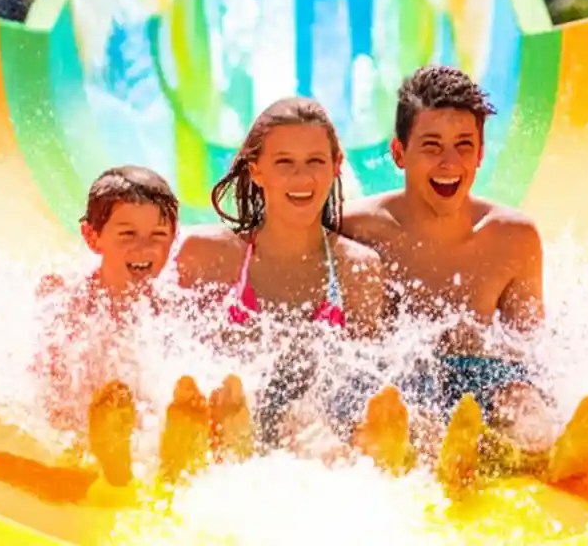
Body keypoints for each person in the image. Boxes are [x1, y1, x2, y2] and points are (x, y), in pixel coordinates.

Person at [341, 66, 588, 489]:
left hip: (482, 372)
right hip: (402, 374)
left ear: (481, 154)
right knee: (401, 402)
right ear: (399, 152)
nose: (449, 162)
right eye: (431, 146)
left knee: (517, 398)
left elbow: (528, 345)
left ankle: (553, 451)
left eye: (463, 145)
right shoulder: (357, 228)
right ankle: (434, 452)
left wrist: (531, 398)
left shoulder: (512, 237)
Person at [174, 96, 411, 471]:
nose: (302, 178)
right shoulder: (209, 254)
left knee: (311, 428)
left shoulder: (356, 267)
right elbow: (167, 351)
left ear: (336, 165)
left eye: (315, 161)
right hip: (227, 413)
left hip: (313, 427)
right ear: (256, 170)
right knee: (214, 402)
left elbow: (361, 375)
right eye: (284, 162)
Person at [32, 165, 180, 484]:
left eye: (158, 235)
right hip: (82, 430)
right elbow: (48, 386)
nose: (144, 248)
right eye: (127, 234)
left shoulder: (170, 309)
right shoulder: (70, 302)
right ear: (92, 236)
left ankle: (172, 451)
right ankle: (113, 458)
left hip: (137, 426)